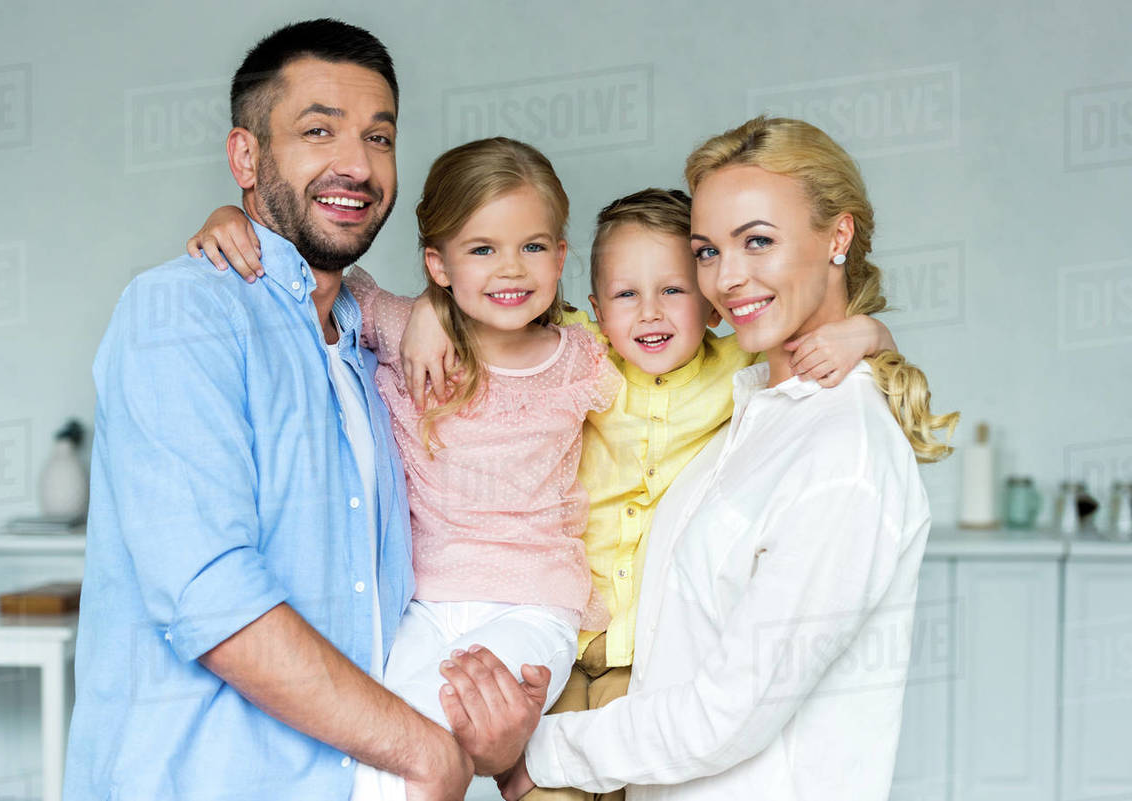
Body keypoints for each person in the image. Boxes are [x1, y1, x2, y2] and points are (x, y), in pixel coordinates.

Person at [436, 116, 960, 801]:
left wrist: (534, 751)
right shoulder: (751, 413)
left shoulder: (844, 452)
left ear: (839, 235)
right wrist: (429, 308)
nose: (728, 279)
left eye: (759, 242)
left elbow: (728, 711)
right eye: (708, 251)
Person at [64, 19, 473, 801]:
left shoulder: (372, 342)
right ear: (245, 157)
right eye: (318, 130)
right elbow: (210, 597)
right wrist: (422, 750)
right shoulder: (180, 312)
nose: (356, 164)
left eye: (379, 138)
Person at [190, 136, 622, 801]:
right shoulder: (401, 330)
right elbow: (314, 272)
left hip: (533, 606)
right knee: (375, 756)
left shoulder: (584, 357)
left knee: (432, 740)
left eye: (533, 246)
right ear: (438, 264)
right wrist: (233, 219)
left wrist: (847, 332)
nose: (511, 268)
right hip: (425, 609)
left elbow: (694, 344)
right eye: (483, 249)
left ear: (562, 255)